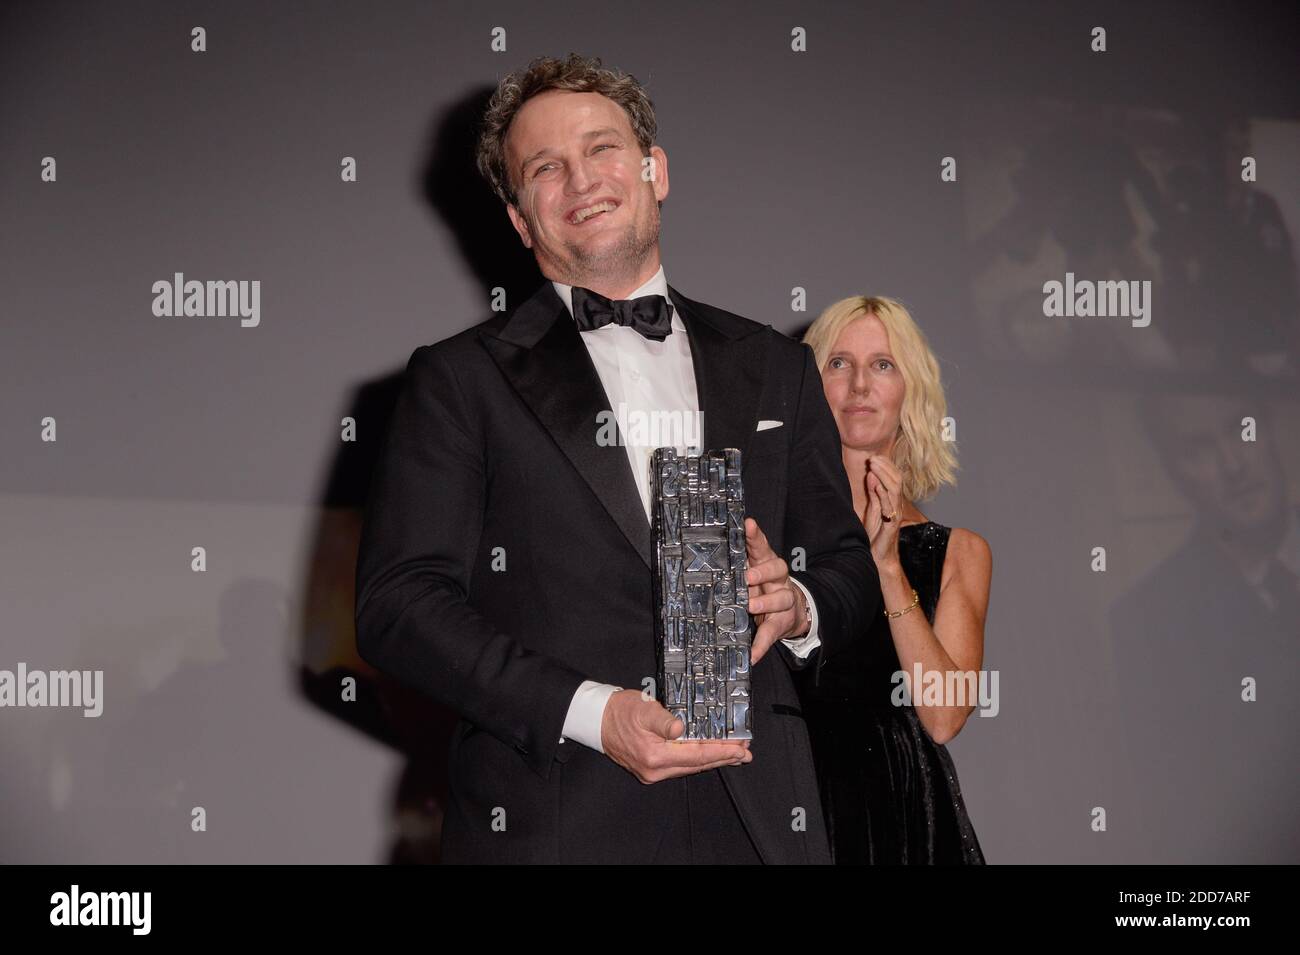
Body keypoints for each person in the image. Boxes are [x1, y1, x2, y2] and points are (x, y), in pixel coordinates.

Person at [354, 53, 877, 864]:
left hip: (763, 824)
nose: (582, 179)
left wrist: (797, 601)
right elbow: (400, 605)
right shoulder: (460, 379)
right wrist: (593, 711)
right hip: (557, 821)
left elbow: (849, 568)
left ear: (654, 170)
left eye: (602, 149)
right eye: (546, 167)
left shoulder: (777, 365)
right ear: (521, 220)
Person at [797, 295, 990, 864]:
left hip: (897, 814)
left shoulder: (957, 551)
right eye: (838, 363)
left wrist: (885, 566)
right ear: (809, 386)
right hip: (785, 796)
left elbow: (944, 716)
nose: (859, 384)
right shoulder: (765, 534)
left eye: (882, 364)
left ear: (911, 392)